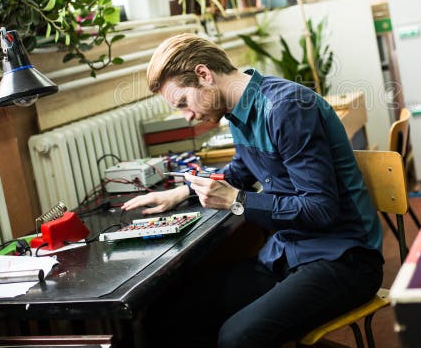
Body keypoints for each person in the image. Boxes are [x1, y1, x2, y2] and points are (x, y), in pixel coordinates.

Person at [123, 33, 383, 348]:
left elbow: (320, 209)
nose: (187, 116)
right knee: (166, 315)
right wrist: (181, 191)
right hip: (288, 253)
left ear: (204, 75)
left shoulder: (286, 108)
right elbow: (240, 171)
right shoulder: (236, 111)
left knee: (237, 338)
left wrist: (238, 201)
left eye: (183, 103)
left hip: (344, 258)